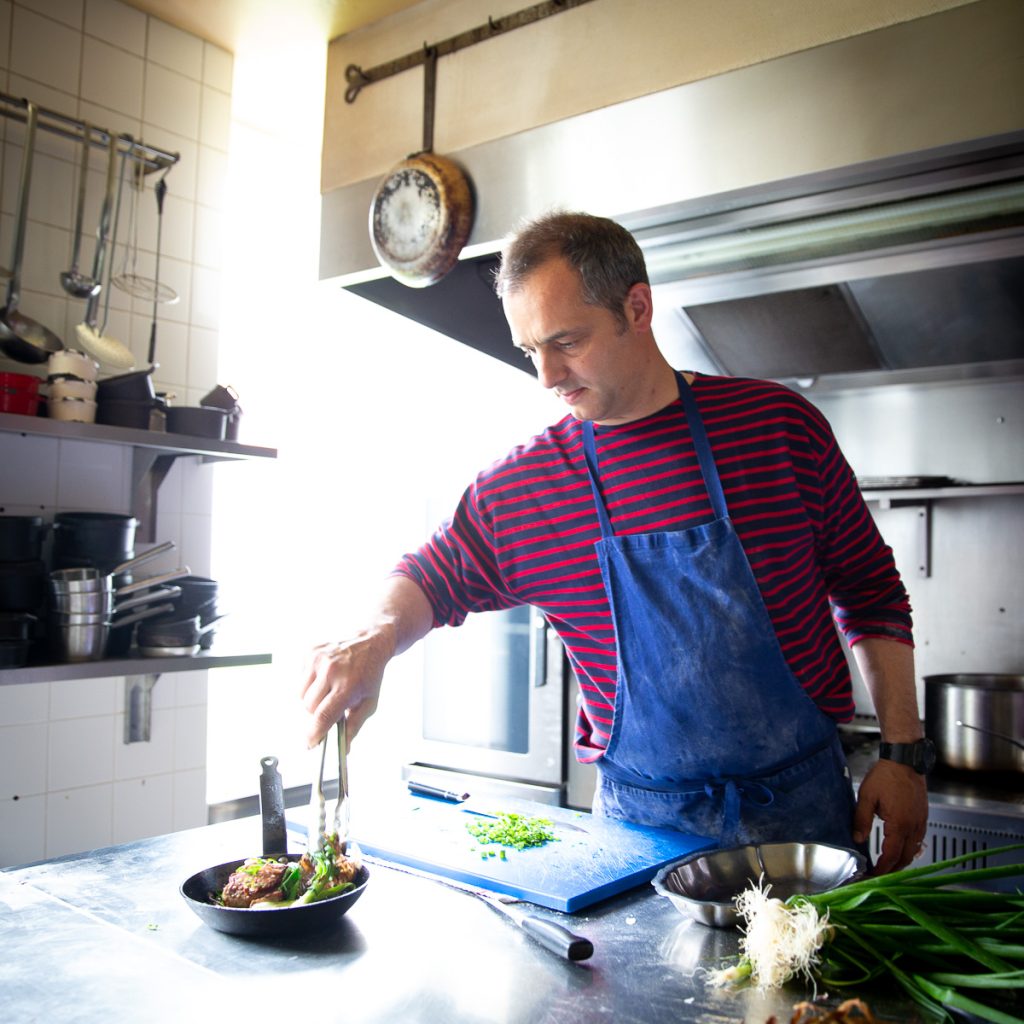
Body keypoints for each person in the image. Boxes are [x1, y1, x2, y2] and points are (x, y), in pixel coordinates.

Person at [302, 212, 930, 874]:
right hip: (642, 848)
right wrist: (371, 640)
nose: (545, 375)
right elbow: (429, 579)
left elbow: (870, 590)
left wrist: (902, 752)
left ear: (637, 306)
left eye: (566, 341)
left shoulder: (778, 430)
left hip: (806, 826)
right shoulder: (527, 488)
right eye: (528, 350)